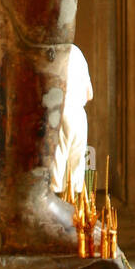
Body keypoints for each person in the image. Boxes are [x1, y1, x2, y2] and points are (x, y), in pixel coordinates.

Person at [51, 44, 93, 193]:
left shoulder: (50, 51)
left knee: (56, 170)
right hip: (79, 116)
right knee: (76, 173)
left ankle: (56, 213)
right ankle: (75, 213)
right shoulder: (76, 51)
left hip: (58, 114)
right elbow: (89, 94)